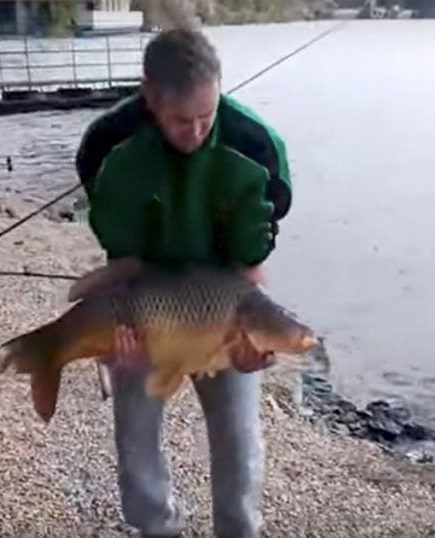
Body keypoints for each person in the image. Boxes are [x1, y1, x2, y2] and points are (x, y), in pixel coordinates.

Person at [74, 27, 293, 538]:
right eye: (180, 121)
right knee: (135, 432)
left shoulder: (256, 147)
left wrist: (257, 341)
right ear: (149, 97)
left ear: (219, 90)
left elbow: (250, 265)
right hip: (145, 299)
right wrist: (113, 339)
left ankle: (238, 530)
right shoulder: (108, 146)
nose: (195, 133)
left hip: (222, 296)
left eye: (206, 117)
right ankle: (157, 528)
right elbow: (122, 259)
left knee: (238, 439)